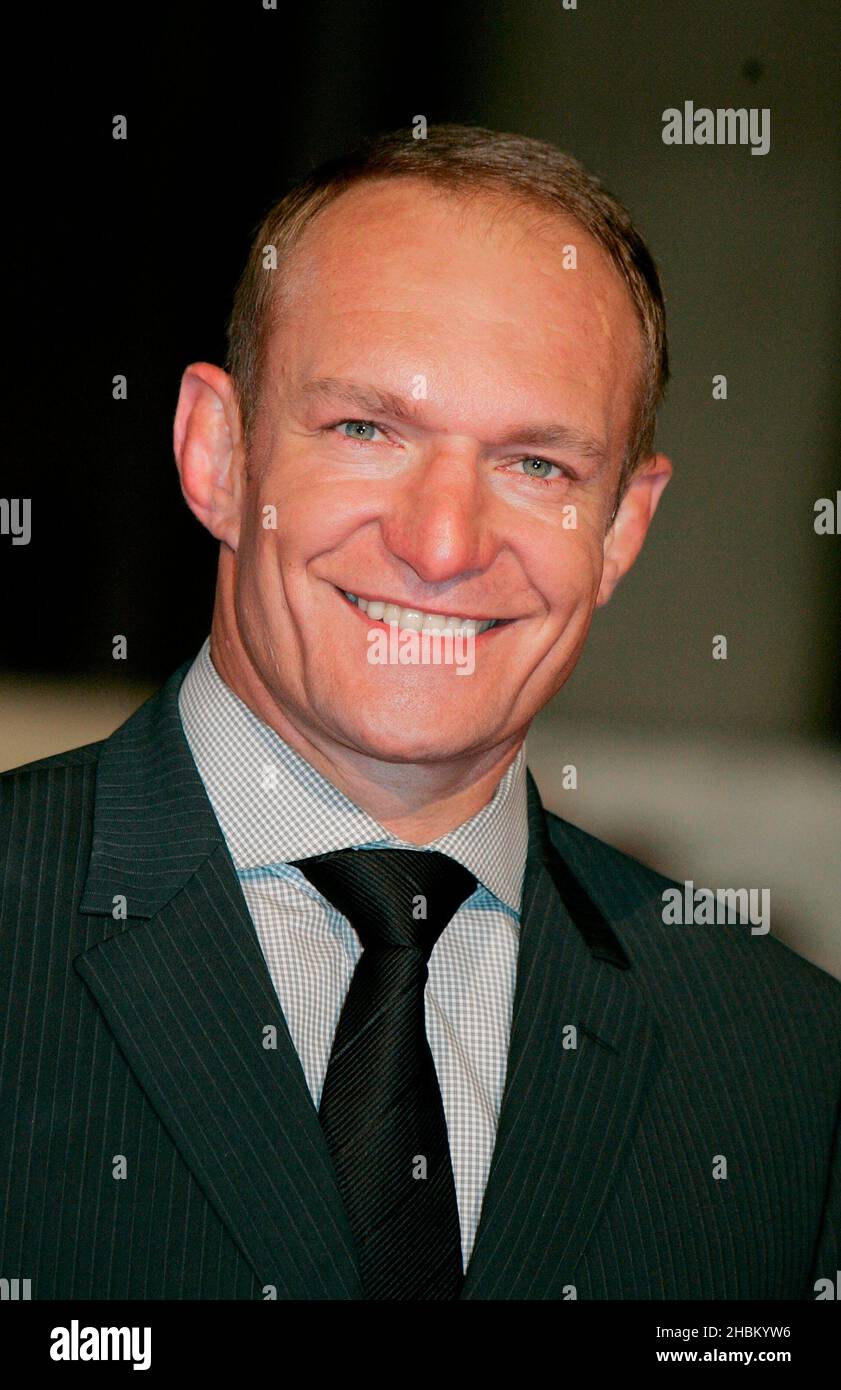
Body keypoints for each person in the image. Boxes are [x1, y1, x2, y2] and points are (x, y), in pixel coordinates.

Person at [1, 125, 838, 1301]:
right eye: (365, 429)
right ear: (216, 453)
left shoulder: (785, 1071)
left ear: (622, 528)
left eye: (536, 464)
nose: (441, 544)